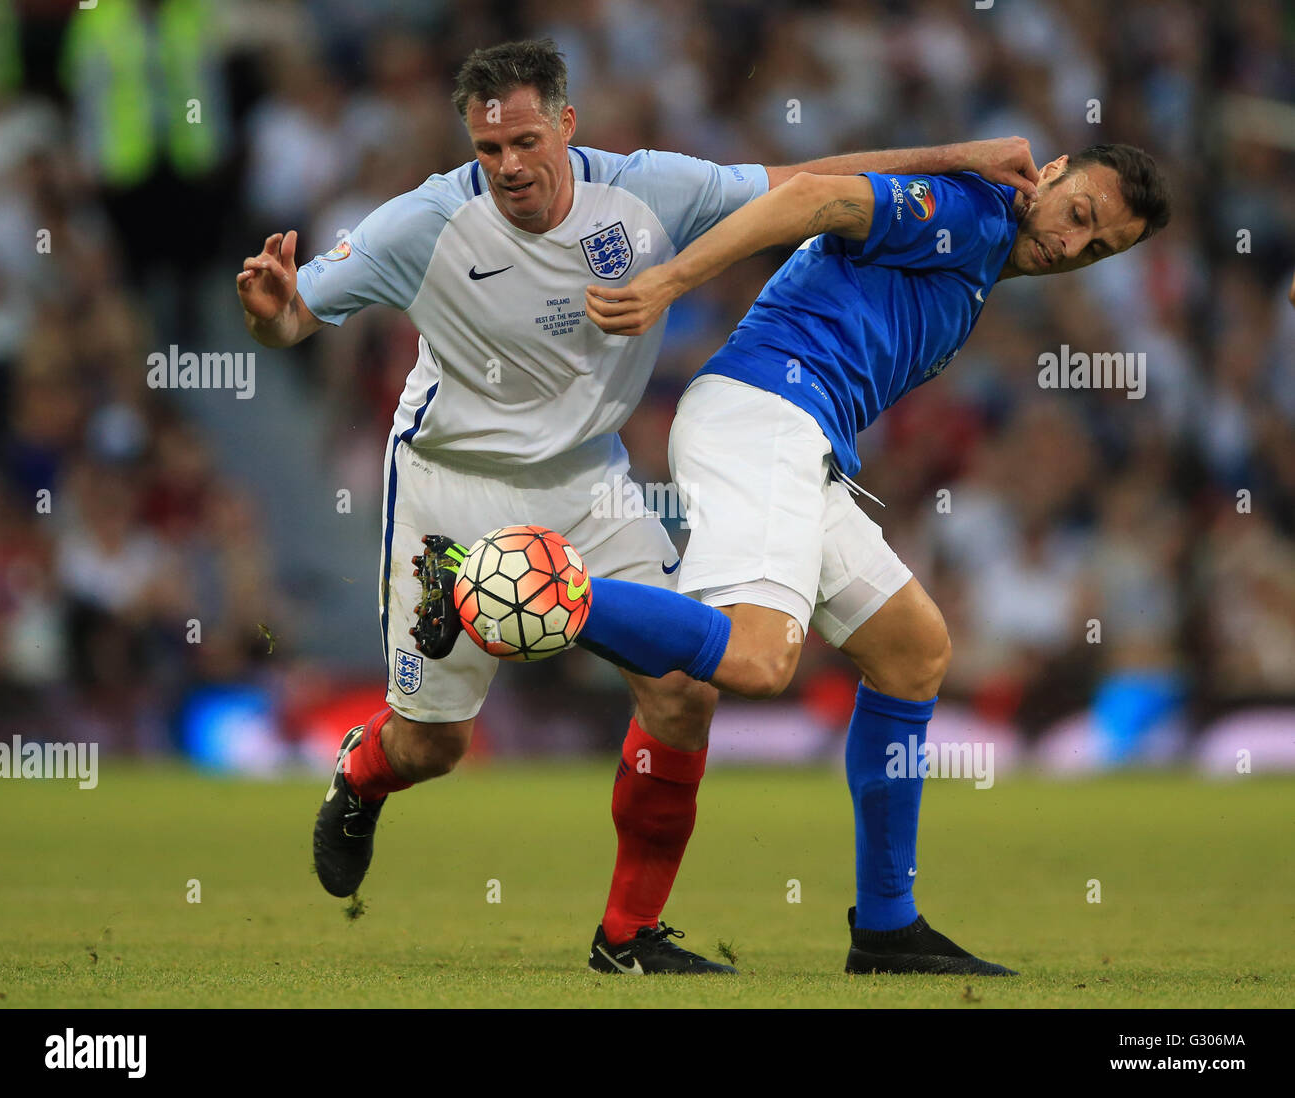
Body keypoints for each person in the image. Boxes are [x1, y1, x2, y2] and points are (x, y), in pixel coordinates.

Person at [236, 37, 1041, 975]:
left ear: (567, 126)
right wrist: (271, 309)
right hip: (451, 489)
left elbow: (812, 179)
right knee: (435, 745)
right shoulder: (423, 223)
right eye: (489, 150)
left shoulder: (649, 188)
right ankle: (362, 774)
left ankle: (626, 936)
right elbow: (295, 317)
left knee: (683, 690)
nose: (509, 167)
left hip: (590, 482)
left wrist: (963, 158)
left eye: (526, 142)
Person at [425, 143, 1171, 974]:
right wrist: (669, 283)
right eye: (1079, 216)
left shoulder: (983, 250)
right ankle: (501, 582)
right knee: (755, 660)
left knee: (912, 651)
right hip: (764, 417)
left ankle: (886, 929)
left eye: (1098, 248)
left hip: (798, 439)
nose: (1072, 247)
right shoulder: (970, 211)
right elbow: (809, 197)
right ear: (1055, 172)